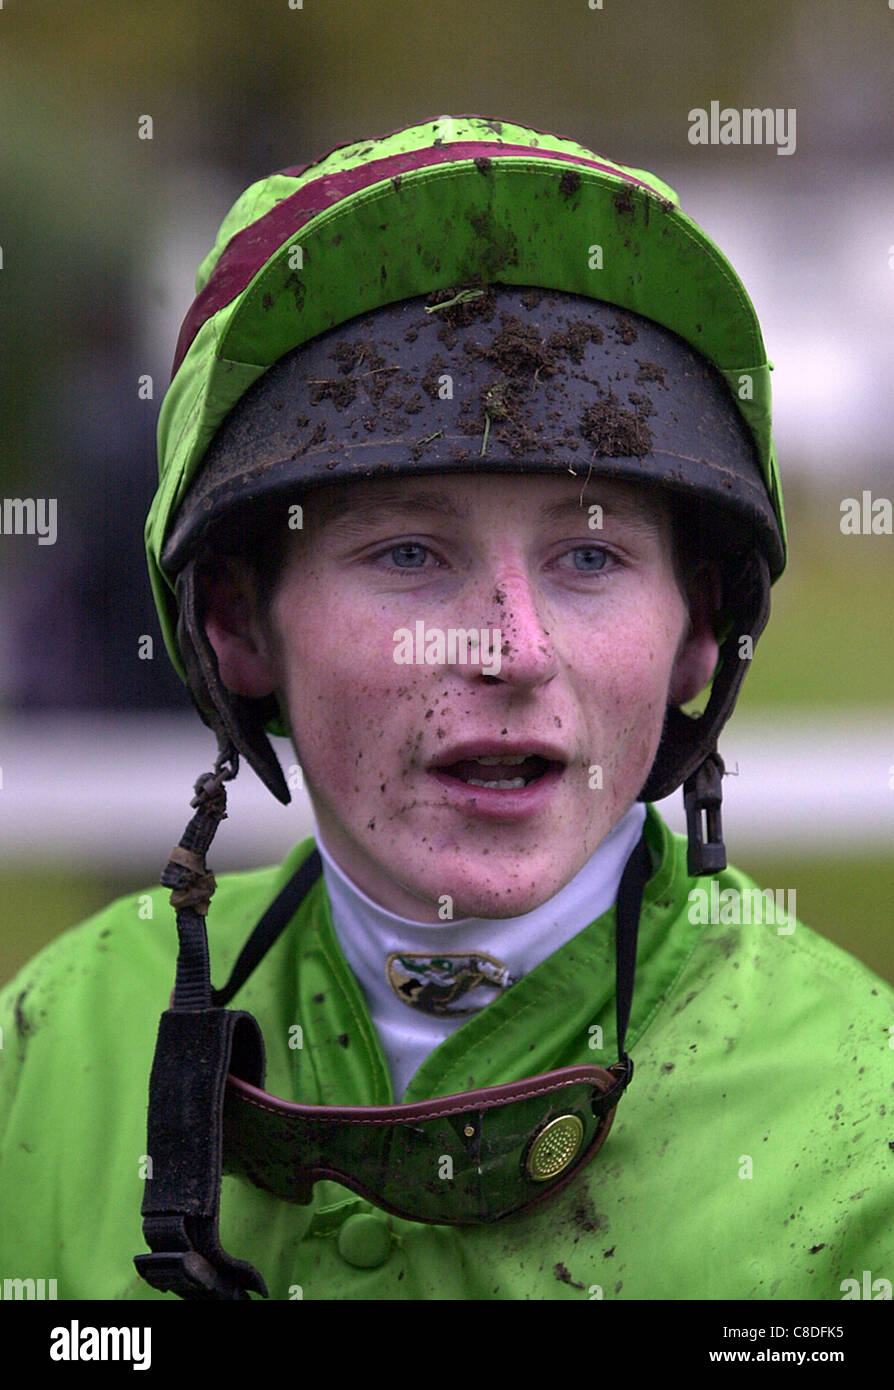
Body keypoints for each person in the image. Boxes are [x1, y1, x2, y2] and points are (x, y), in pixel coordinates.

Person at [1, 115, 891, 1303]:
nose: (511, 648)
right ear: (235, 624)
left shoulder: (864, 1135)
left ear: (695, 629)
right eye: (410, 553)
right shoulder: (48, 1059)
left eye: (588, 558)